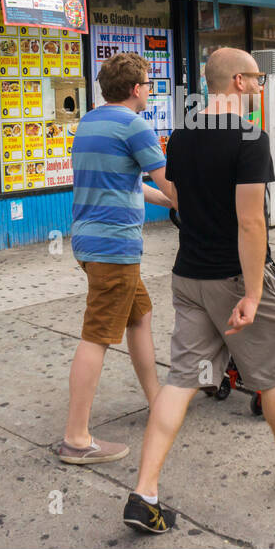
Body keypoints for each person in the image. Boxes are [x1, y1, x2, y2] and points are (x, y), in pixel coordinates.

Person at [122, 48, 275, 534]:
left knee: (182, 380)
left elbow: (177, 199)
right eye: (259, 78)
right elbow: (251, 223)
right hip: (233, 277)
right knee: (274, 376)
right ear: (240, 83)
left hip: (188, 275)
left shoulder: (181, 135)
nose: (262, 85)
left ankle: (144, 494)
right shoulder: (250, 137)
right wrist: (252, 293)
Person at [60, 52, 177, 466]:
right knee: (97, 335)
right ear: (134, 89)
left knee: (140, 315)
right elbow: (168, 178)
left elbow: (125, 180)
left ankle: (157, 400)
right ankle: (76, 438)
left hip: (90, 242)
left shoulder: (92, 121)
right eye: (148, 84)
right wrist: (197, 207)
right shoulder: (135, 125)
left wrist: (163, 200)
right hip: (114, 249)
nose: (150, 91)